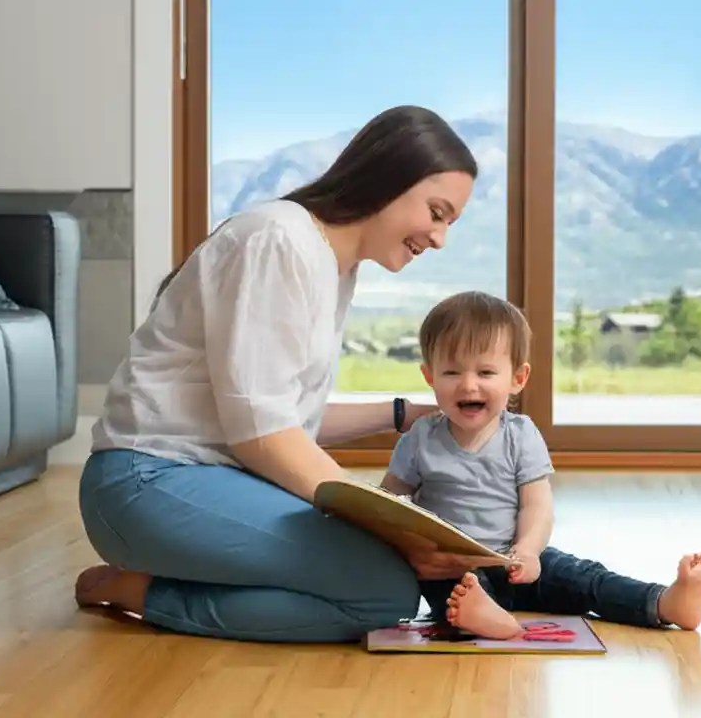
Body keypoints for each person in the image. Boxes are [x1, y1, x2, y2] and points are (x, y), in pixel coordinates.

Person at [73, 105, 498, 643]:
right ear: (389, 179)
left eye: (449, 223)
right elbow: (261, 435)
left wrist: (409, 415)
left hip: (206, 476)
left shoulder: (333, 267)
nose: (439, 238)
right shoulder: (278, 241)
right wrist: (385, 523)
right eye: (436, 213)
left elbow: (283, 419)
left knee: (385, 585)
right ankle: (137, 590)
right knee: (382, 591)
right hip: (144, 482)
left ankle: (173, 577)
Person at [380, 291, 701, 639]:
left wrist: (527, 550)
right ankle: (482, 615)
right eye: (452, 372)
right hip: (454, 565)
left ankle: (665, 602)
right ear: (430, 376)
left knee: (584, 577)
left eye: (485, 372)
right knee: (451, 593)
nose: (469, 384)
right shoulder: (420, 439)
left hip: (516, 560)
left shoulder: (521, 435)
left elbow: (537, 505)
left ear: (518, 378)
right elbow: (387, 503)